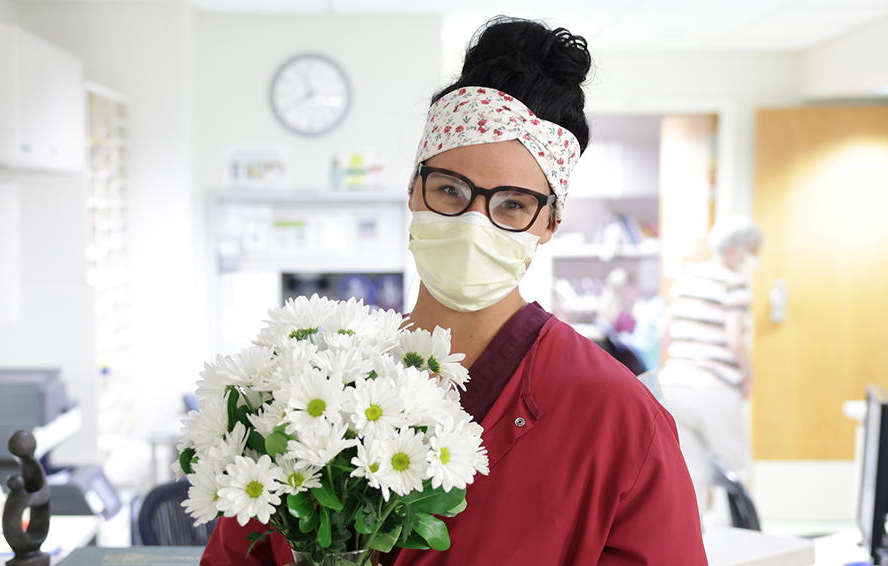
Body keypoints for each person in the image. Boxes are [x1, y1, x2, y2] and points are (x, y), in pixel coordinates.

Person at [202, 17, 706, 566]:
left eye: (511, 205)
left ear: (549, 223)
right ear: (414, 189)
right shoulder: (312, 391)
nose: (474, 224)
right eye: (450, 190)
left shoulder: (617, 419)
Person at [657, 217, 763, 514]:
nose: (751, 260)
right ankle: (741, 548)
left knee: (692, 471)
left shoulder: (686, 278)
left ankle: (695, 549)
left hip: (674, 385)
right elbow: (735, 339)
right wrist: (749, 377)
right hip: (713, 386)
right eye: (750, 251)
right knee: (736, 467)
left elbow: (663, 334)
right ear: (732, 247)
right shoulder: (734, 283)